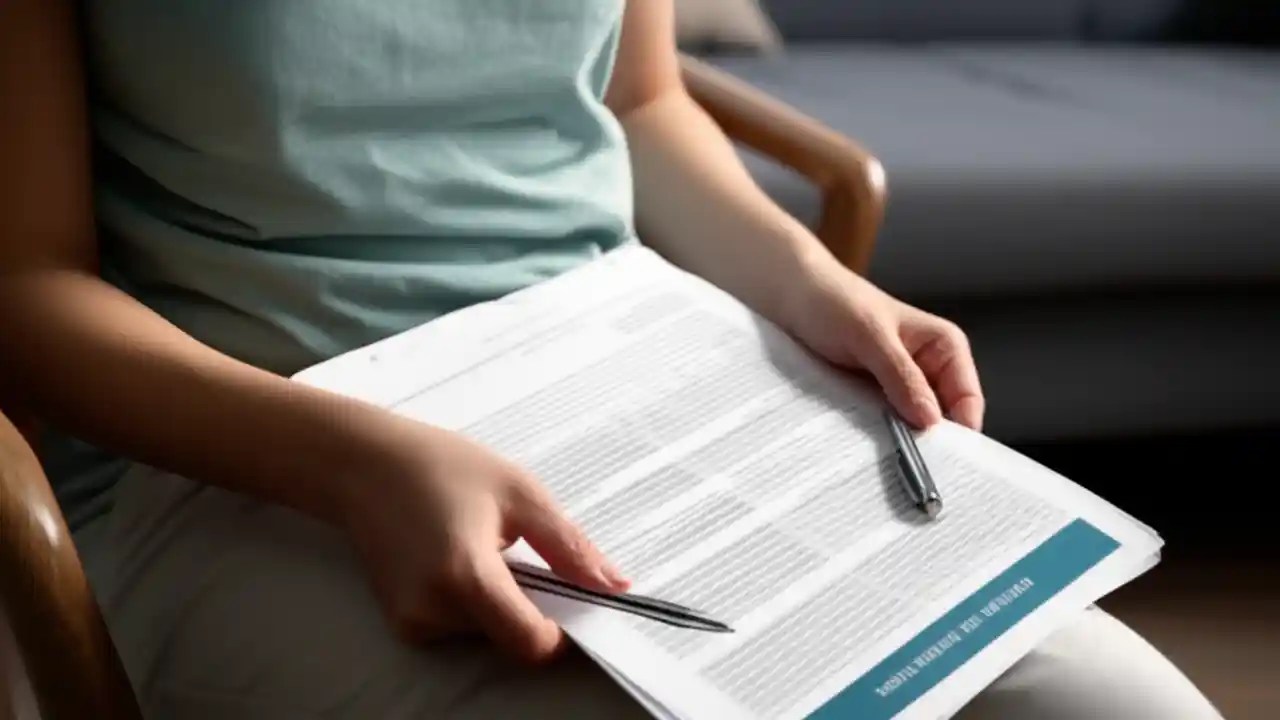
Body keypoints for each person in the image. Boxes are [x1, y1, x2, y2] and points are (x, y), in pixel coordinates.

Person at [0, 1, 1222, 718]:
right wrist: (356, 464)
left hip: (629, 377)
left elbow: (639, 104)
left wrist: (817, 288)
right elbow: (26, 286)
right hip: (247, 457)